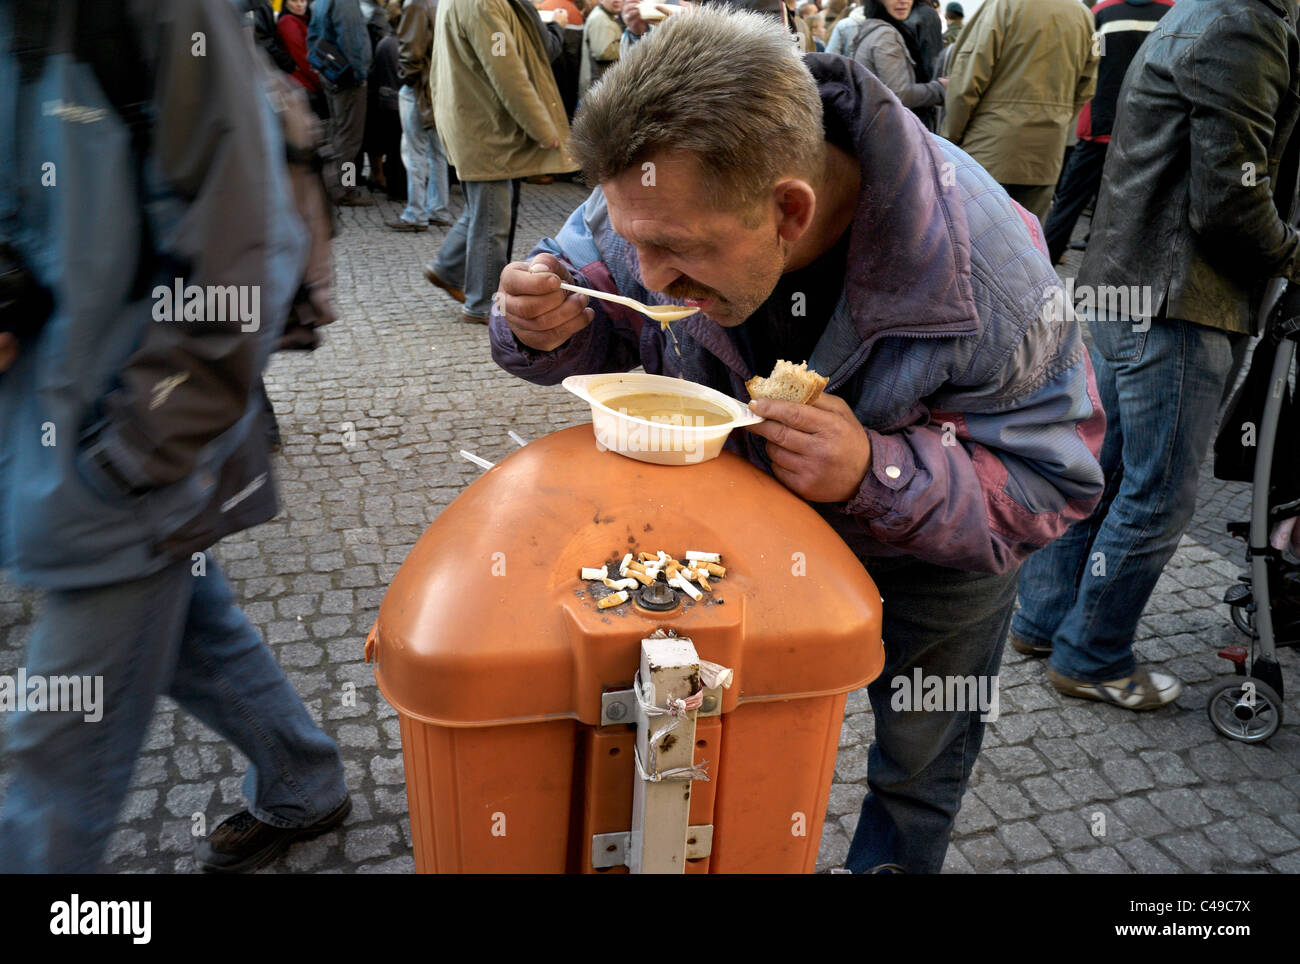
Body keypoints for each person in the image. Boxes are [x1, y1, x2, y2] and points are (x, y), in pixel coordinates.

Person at [490, 7, 1104, 872]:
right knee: (721, 738)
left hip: (931, 576)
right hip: (732, 535)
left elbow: (1055, 482)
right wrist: (544, 321)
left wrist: (876, 472)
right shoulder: (658, 181)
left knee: (917, 770)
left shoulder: (990, 269)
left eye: (674, 253)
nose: (649, 277)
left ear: (790, 209)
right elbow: (593, 285)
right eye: (633, 242)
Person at [0, 0, 349, 874]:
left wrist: (138, 452)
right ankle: (303, 778)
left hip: (117, 461)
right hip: (57, 447)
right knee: (194, 625)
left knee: (49, 768)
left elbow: (242, 247)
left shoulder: (156, 16)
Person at [1011, 0, 1300, 709]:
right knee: (1156, 493)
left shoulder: (1200, 14)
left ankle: (1045, 620)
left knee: (1101, 470)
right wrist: (1293, 254)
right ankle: (1092, 653)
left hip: (1132, 285)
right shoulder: (1244, 23)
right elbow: (1231, 196)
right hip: (1175, 300)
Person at [425, 0, 577, 324]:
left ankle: (448, 268)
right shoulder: (481, 3)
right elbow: (508, 72)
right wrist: (542, 127)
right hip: (486, 128)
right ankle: (483, 304)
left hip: (476, 122)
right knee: (493, 221)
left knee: (485, 212)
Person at [1042, 0, 1174, 265]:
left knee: (1070, 200)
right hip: (1151, 128)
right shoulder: (1173, 13)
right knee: (1135, 207)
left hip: (1099, 121)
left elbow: (1090, 61)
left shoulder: (1102, 12)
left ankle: (1044, 260)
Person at [941, 0, 1097, 223]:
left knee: (971, 243)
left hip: (989, 148)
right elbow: (1088, 85)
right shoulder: (1085, 16)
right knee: (1025, 245)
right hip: (1046, 155)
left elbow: (967, 82)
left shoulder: (1002, 6)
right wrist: (1059, 122)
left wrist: (950, 136)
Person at [389, 0, 454, 232]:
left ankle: (416, 213)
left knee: (414, 150)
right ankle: (438, 209)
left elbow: (411, 51)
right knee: (436, 151)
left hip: (419, 86)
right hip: (438, 84)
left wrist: (407, 76)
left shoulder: (416, 4)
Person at [309, 0, 374, 205]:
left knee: (338, 132)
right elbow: (351, 39)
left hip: (330, 70)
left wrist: (317, 64)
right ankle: (344, 189)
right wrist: (359, 74)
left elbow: (312, 35)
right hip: (346, 76)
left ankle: (331, 184)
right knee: (350, 137)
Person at [851, 0, 945, 124]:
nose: (904, 1)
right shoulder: (885, 35)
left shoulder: (873, 29)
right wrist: (940, 88)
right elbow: (900, 94)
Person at [278, 0, 328, 120]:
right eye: (294, 1)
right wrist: (320, 82)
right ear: (286, 3)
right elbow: (302, 56)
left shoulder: (303, 19)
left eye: (302, 0)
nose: (300, 5)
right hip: (305, 83)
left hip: (309, 81)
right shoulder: (288, 22)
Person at [579, 0, 624, 102]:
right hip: (596, 89)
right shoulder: (600, 19)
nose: (617, 0)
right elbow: (604, 52)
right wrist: (629, 44)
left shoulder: (607, 16)